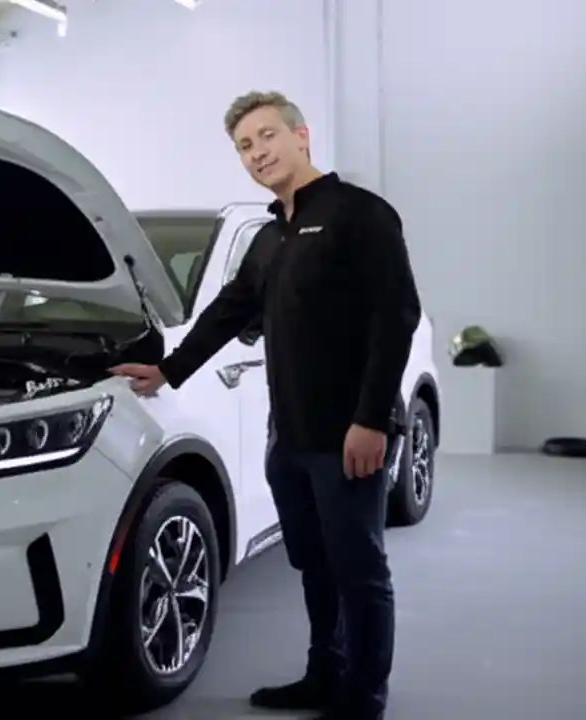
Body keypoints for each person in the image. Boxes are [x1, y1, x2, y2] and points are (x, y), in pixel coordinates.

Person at [110, 91, 421, 720]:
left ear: (301, 135)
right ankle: (323, 673)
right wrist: (169, 370)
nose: (258, 153)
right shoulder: (271, 234)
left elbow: (397, 317)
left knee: (360, 569)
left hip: (346, 437)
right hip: (292, 440)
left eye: (266, 137)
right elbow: (230, 310)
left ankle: (364, 697)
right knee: (314, 563)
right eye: (245, 147)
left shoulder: (360, 215)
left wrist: (372, 420)